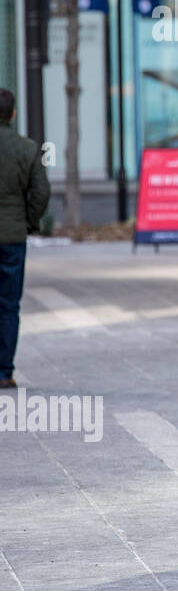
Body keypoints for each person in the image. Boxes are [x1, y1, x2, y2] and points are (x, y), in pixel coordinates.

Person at [0, 89, 49, 390]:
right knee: (8, 305)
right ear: (13, 114)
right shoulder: (27, 148)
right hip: (13, 237)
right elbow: (41, 192)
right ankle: (4, 372)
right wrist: (29, 221)